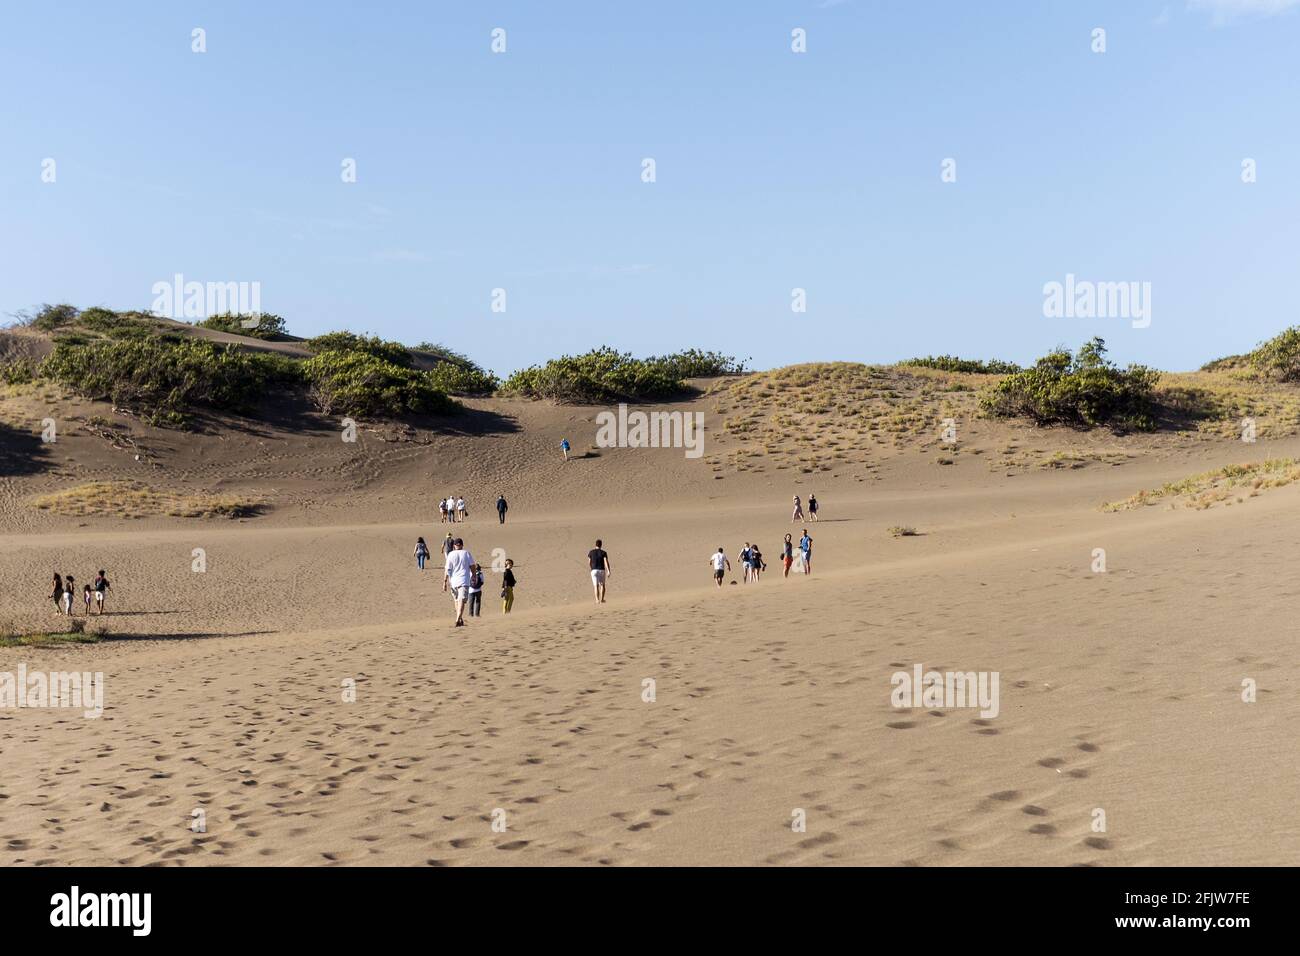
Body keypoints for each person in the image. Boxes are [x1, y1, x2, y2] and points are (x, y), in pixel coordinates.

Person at [441, 538, 476, 626]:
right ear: (462, 545)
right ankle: (458, 618)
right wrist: (474, 576)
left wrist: (444, 581)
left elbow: (447, 569)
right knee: (461, 600)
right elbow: (472, 566)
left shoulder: (450, 554)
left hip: (453, 581)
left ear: (454, 546)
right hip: (464, 580)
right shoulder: (466, 553)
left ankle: (459, 619)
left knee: (457, 600)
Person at [588, 539, 611, 603]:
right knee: (602, 585)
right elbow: (606, 562)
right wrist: (608, 571)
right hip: (602, 570)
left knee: (596, 586)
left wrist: (591, 568)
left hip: (594, 570)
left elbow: (589, 562)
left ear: (595, 544)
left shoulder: (591, 552)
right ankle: (602, 599)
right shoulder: (604, 552)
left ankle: (597, 600)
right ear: (601, 545)